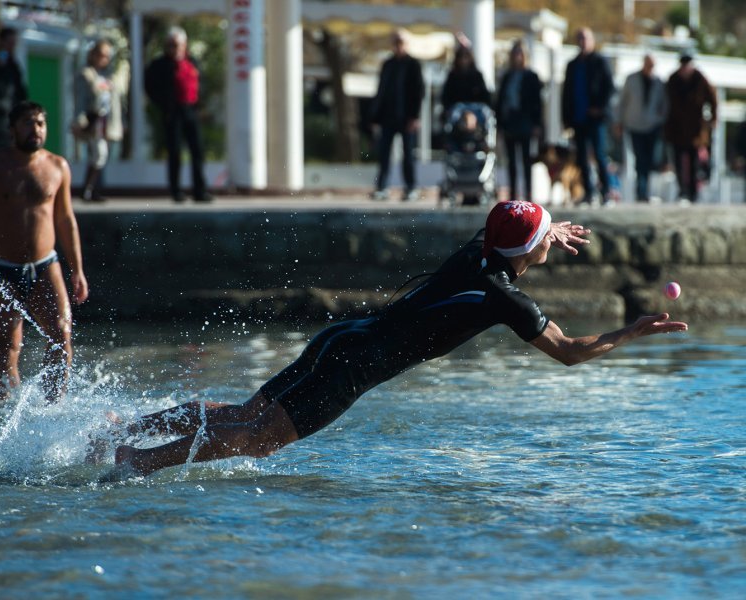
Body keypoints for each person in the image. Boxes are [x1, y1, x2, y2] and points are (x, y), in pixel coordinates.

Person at [106, 200, 688, 479]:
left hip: (341, 337)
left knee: (239, 413)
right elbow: (567, 351)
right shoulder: (506, 299)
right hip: (356, 366)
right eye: (545, 235)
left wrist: (546, 229)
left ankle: (129, 428)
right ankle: (138, 461)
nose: (550, 242)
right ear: (529, 251)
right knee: (257, 439)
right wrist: (630, 332)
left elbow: (508, 231)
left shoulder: (476, 255)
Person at [0, 101, 89, 404]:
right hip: (0, 268)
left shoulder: (57, 166)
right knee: (6, 347)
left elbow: (66, 220)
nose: (35, 129)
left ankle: (52, 409)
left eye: (40, 123)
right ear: (12, 128)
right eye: (28, 122)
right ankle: (3, 412)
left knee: (61, 336)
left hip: (45, 265)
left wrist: (77, 269)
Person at [145, 27, 212, 203]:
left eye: (177, 45)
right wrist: (164, 105)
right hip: (172, 112)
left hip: (190, 110)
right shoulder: (159, 65)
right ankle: (176, 191)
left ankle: (200, 190)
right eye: (171, 45)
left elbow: (200, 84)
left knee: (197, 151)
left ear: (184, 45)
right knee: (174, 152)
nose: (174, 49)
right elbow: (150, 88)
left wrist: (200, 106)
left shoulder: (192, 62)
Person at [561, 28, 615, 204]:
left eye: (586, 38)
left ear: (592, 40)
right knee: (581, 158)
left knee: (599, 155)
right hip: (578, 119)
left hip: (595, 119)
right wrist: (566, 118)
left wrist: (599, 108)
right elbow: (567, 93)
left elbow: (609, 87)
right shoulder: (573, 64)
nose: (583, 42)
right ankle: (589, 192)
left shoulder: (600, 62)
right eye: (580, 38)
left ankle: (606, 192)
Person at [370, 29, 425, 201]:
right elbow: (381, 91)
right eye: (396, 43)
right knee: (384, 154)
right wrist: (375, 117)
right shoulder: (388, 64)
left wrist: (415, 117)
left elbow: (418, 92)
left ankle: (410, 188)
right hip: (388, 117)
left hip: (407, 118)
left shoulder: (414, 65)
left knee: (408, 155)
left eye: (401, 43)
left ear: (406, 45)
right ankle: (382, 187)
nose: (398, 46)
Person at [72, 40, 124, 203]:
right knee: (99, 154)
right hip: (93, 120)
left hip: (107, 121)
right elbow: (80, 100)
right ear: (93, 55)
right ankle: (87, 189)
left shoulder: (108, 76)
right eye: (101, 55)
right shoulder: (86, 74)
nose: (104, 59)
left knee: (101, 155)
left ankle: (94, 189)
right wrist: (79, 120)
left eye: (107, 56)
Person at [664, 53, 717, 203]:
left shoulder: (700, 79)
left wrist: (713, 119)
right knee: (678, 163)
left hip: (696, 131)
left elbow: (713, 99)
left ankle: (693, 193)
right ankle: (683, 192)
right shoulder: (673, 80)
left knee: (695, 163)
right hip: (676, 129)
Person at [616, 55, 667, 203]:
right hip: (634, 125)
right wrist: (618, 121)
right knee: (639, 159)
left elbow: (664, 104)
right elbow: (622, 102)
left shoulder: (658, 82)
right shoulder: (631, 79)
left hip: (652, 126)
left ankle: (645, 190)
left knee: (650, 159)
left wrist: (660, 119)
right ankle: (640, 191)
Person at [496, 40, 543, 202]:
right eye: (515, 53)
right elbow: (500, 101)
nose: (517, 57)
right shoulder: (507, 76)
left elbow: (537, 103)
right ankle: (513, 194)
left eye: (520, 53)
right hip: (510, 123)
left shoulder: (532, 76)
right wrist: (500, 124)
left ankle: (529, 194)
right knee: (511, 162)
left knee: (526, 160)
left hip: (526, 123)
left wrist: (537, 124)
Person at [441, 39, 491, 116]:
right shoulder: (453, 76)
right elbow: (446, 96)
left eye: (466, 57)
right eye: (461, 57)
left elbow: (485, 95)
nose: (463, 60)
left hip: (475, 108)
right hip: (457, 108)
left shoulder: (477, 75)